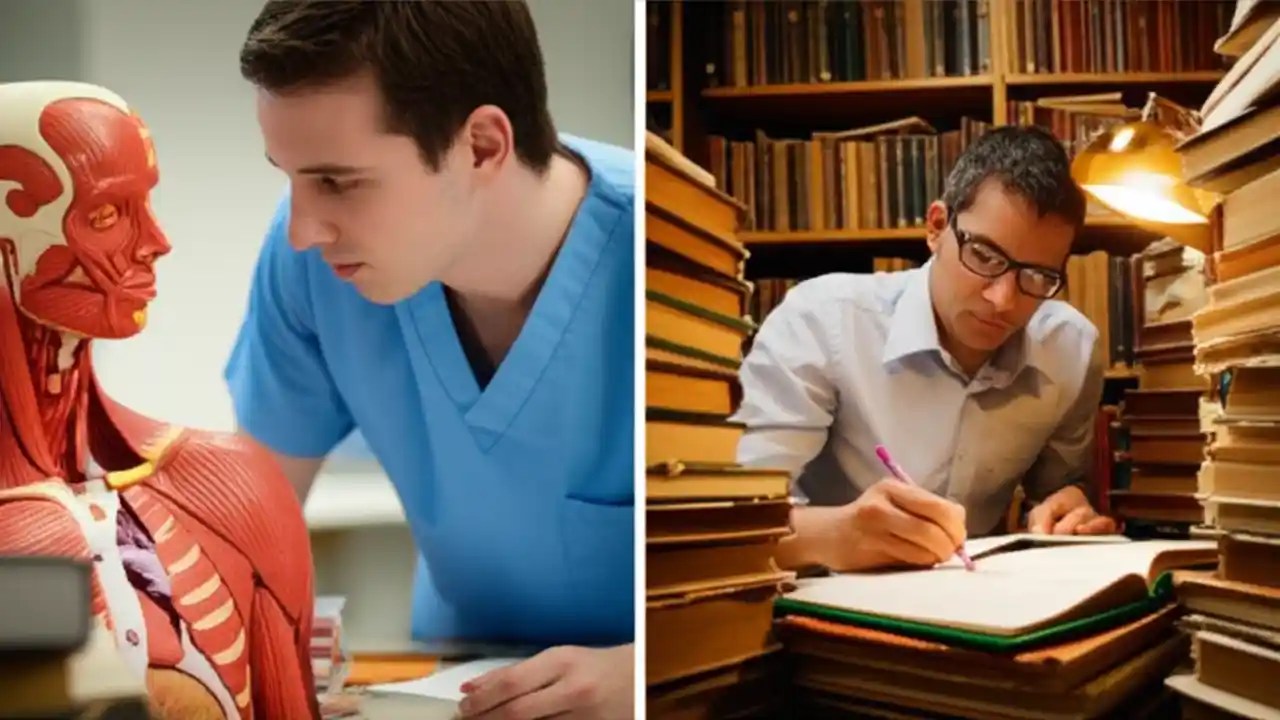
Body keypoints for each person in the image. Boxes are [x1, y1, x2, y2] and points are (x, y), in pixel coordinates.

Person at [222, 2, 634, 718]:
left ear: (479, 145)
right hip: (451, 685)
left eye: (339, 181)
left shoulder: (661, 257)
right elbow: (248, 530)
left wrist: (637, 676)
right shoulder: (316, 269)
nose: (301, 230)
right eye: (288, 178)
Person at [734, 125, 1118, 574]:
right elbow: (730, 524)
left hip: (982, 606)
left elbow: (1055, 493)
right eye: (985, 256)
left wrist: (1068, 507)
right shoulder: (821, 321)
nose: (1003, 301)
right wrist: (838, 534)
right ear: (936, 226)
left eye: (1037, 276)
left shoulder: (1072, 350)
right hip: (829, 605)